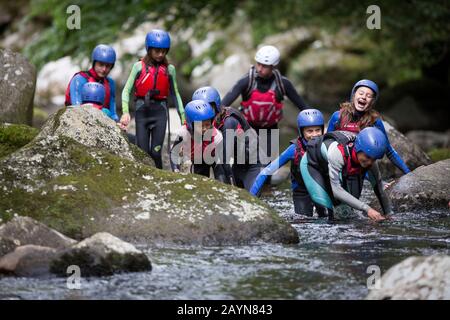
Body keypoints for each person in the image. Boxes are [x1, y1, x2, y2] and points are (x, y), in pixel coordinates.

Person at [222, 45, 308, 161]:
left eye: (265, 66)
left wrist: (319, 123)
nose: (260, 68)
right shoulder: (246, 81)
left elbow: (303, 106)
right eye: (258, 64)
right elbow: (224, 103)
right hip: (247, 128)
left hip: (270, 131)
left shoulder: (283, 84)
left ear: (273, 66)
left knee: (267, 167)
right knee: (243, 163)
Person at [119, 29, 185, 169]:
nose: (161, 54)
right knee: (142, 154)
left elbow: (176, 94)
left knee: (155, 153)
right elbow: (126, 91)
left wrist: (183, 119)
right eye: (157, 51)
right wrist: (125, 112)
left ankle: (159, 180)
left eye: (164, 51)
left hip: (160, 113)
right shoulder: (138, 67)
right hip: (142, 112)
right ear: (149, 49)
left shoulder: (170, 69)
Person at [300, 127, 393, 221]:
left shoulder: (371, 158)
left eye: (374, 159)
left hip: (332, 165)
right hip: (313, 165)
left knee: (347, 213)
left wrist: (389, 214)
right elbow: (337, 191)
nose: (369, 162)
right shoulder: (338, 153)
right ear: (358, 148)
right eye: (367, 157)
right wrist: (367, 209)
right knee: (327, 215)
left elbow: (379, 189)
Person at [250, 109, 328, 217]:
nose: (314, 135)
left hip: (321, 189)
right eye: (309, 131)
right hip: (301, 192)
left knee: (326, 219)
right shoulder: (294, 149)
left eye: (317, 130)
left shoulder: (327, 146)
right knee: (304, 220)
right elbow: (266, 171)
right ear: (302, 132)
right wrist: (250, 198)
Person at [327, 79, 410, 175]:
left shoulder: (375, 121)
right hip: (339, 165)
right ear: (354, 95)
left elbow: (389, 151)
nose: (364, 97)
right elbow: (327, 144)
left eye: (368, 96)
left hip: (362, 169)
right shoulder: (338, 117)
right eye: (361, 93)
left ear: (372, 101)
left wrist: (408, 173)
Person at [192, 86, 261, 191]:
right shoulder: (200, 122)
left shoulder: (229, 122)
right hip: (236, 163)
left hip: (250, 165)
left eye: (207, 107)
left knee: (252, 195)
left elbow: (224, 159)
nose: (203, 111)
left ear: (216, 106)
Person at [170, 100, 230, 182]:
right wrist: (175, 171)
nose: (205, 129)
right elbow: (173, 153)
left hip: (210, 159)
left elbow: (222, 164)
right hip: (193, 160)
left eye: (207, 125)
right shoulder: (183, 133)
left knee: (219, 169)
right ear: (191, 125)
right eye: (201, 126)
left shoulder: (216, 136)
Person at [65, 44, 119, 121]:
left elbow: (113, 113)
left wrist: (117, 122)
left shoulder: (110, 83)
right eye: (101, 64)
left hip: (104, 121)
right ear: (94, 63)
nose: (104, 69)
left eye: (108, 66)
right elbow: (77, 109)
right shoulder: (79, 79)